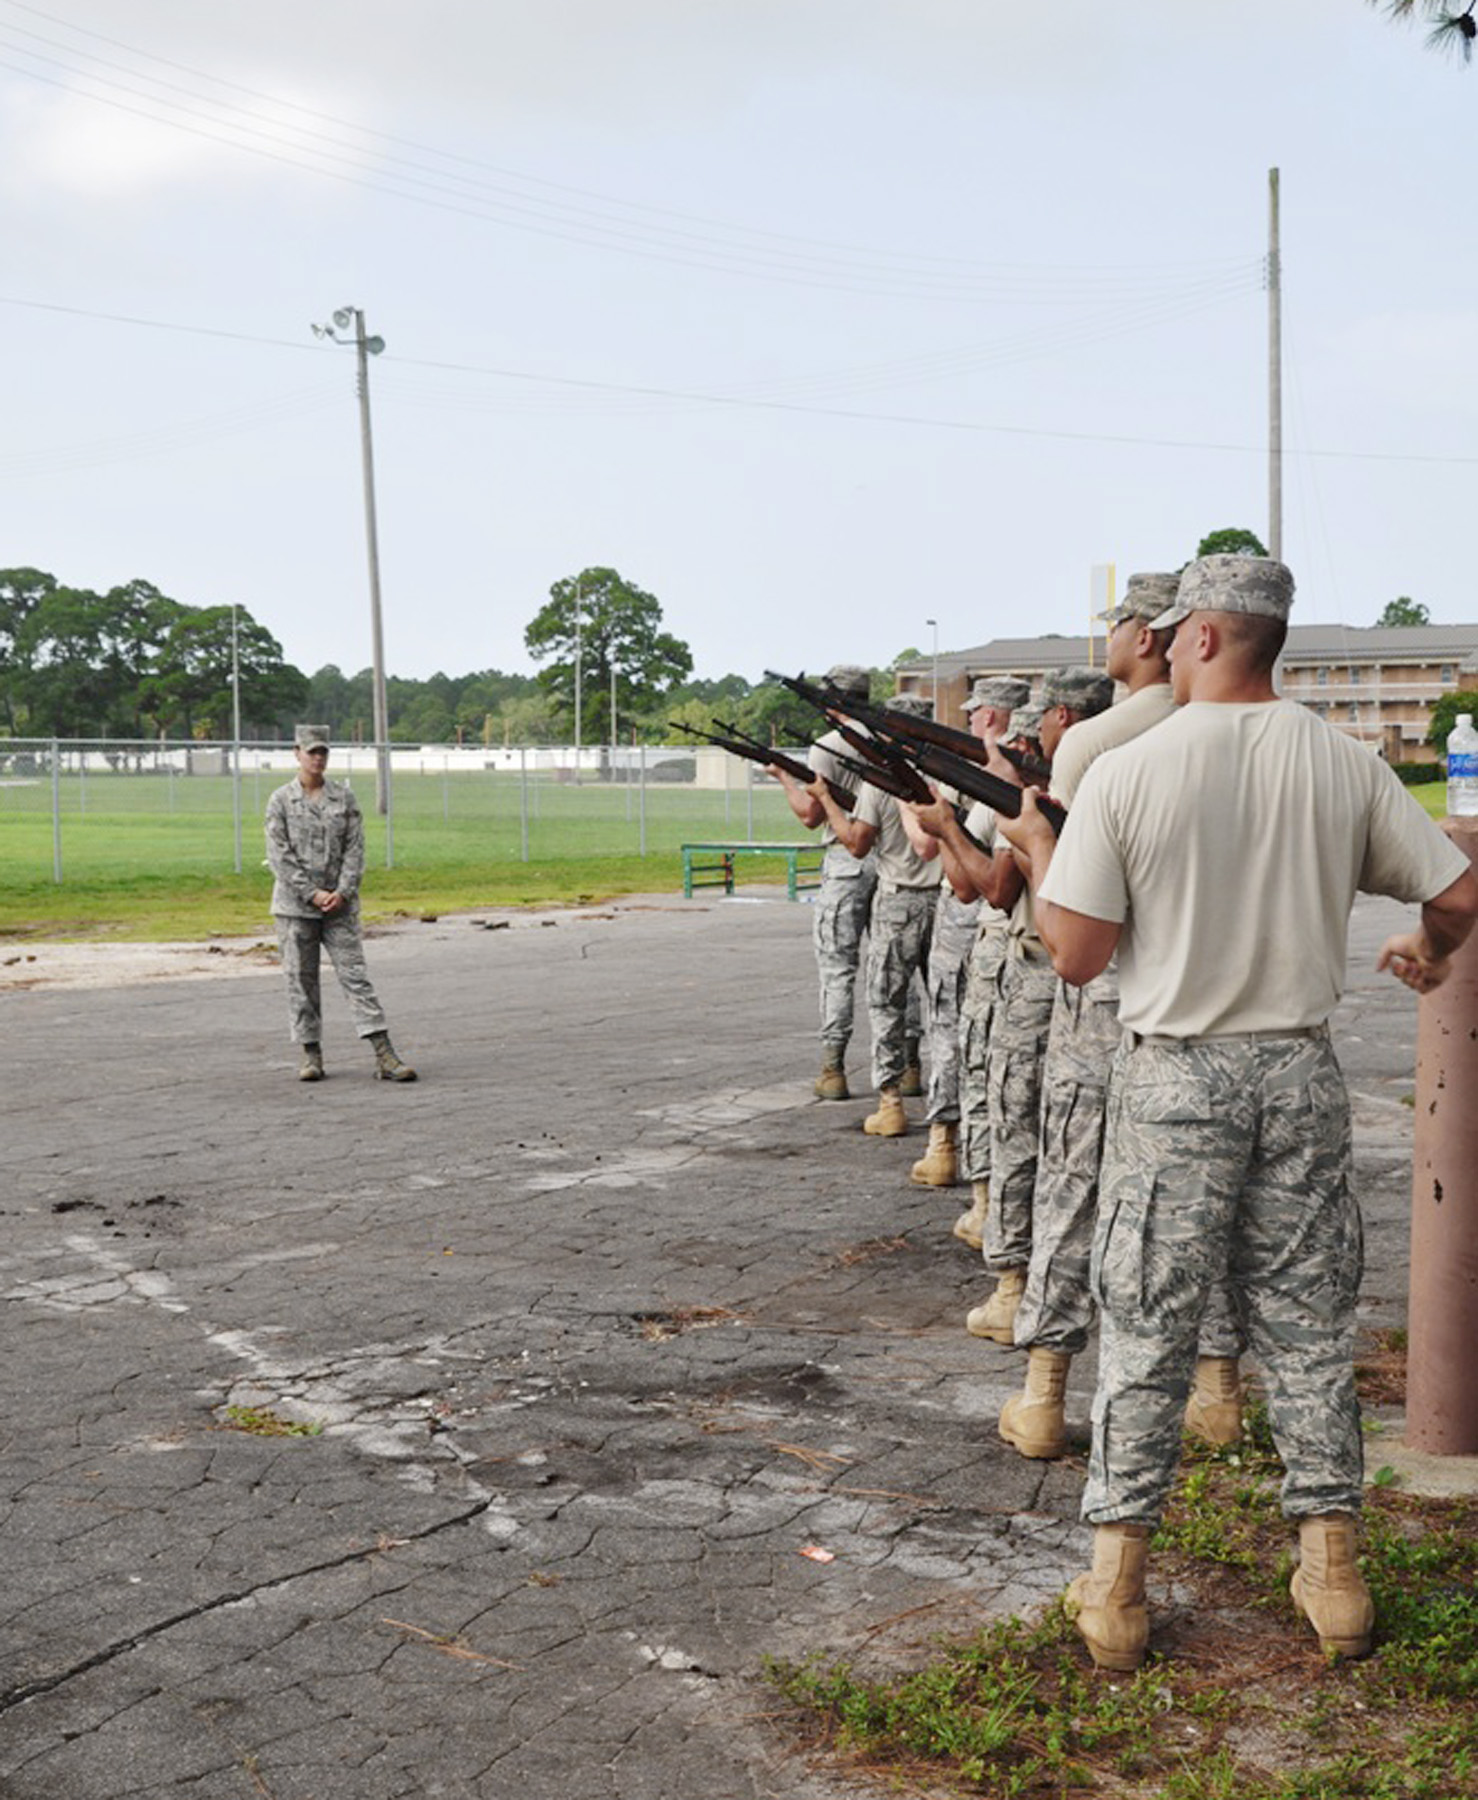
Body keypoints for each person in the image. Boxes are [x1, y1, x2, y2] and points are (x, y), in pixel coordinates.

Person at [1003, 554, 1478, 1671]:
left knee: (1146, 1325)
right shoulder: (1340, 759)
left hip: (1176, 1074)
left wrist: (1036, 854)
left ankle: (1116, 1588)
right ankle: (1333, 1575)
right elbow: (1455, 894)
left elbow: (1074, 955)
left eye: (1170, 632)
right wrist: (1425, 948)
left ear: (1208, 637)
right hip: (1299, 1072)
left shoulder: (1130, 768)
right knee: (1308, 1325)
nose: (1158, 647)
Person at [998, 575, 1244, 1459]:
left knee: (1073, 1181)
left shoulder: (1099, 743)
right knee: (1202, 1200)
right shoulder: (1250, 738)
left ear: (1166, 635)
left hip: (1102, 994)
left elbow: (1065, 904)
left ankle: (1043, 1394)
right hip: (1205, 1000)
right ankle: (1217, 1393)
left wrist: (1032, 846)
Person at [808, 691, 942, 1137]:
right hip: (946, 901)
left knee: (886, 999)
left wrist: (827, 801)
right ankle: (940, 1109)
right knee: (944, 1007)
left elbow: (857, 842)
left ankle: (890, 1103)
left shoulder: (881, 781)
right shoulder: (952, 778)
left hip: (899, 900)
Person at [265, 725, 417, 1083]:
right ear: (296, 753)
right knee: (301, 982)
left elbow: (355, 848)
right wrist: (311, 893)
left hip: (340, 908)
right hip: (295, 908)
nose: (318, 758)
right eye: (311, 751)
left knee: (355, 977)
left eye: (323, 752)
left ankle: (384, 1054)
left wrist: (343, 891)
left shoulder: (344, 799)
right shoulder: (281, 800)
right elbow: (279, 856)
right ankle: (311, 1054)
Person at [771, 664, 878, 1101]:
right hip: (887, 860)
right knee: (893, 970)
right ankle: (907, 1065)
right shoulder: (887, 741)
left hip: (845, 859)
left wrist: (783, 778)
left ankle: (833, 1068)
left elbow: (810, 814)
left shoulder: (829, 747)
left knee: (838, 969)